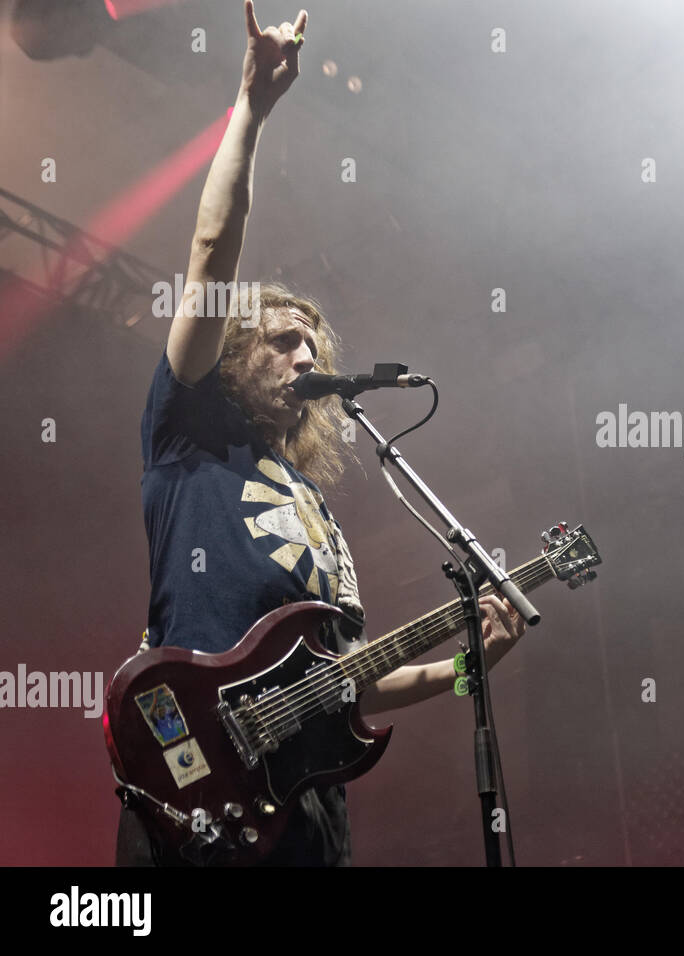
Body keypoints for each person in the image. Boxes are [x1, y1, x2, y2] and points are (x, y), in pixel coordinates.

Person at [115, 2, 527, 866]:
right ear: (232, 356)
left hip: (303, 808)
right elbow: (211, 248)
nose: (304, 351)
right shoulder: (190, 431)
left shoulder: (319, 517)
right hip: (194, 790)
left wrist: (463, 668)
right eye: (280, 339)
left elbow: (350, 679)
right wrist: (251, 112)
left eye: (312, 341)